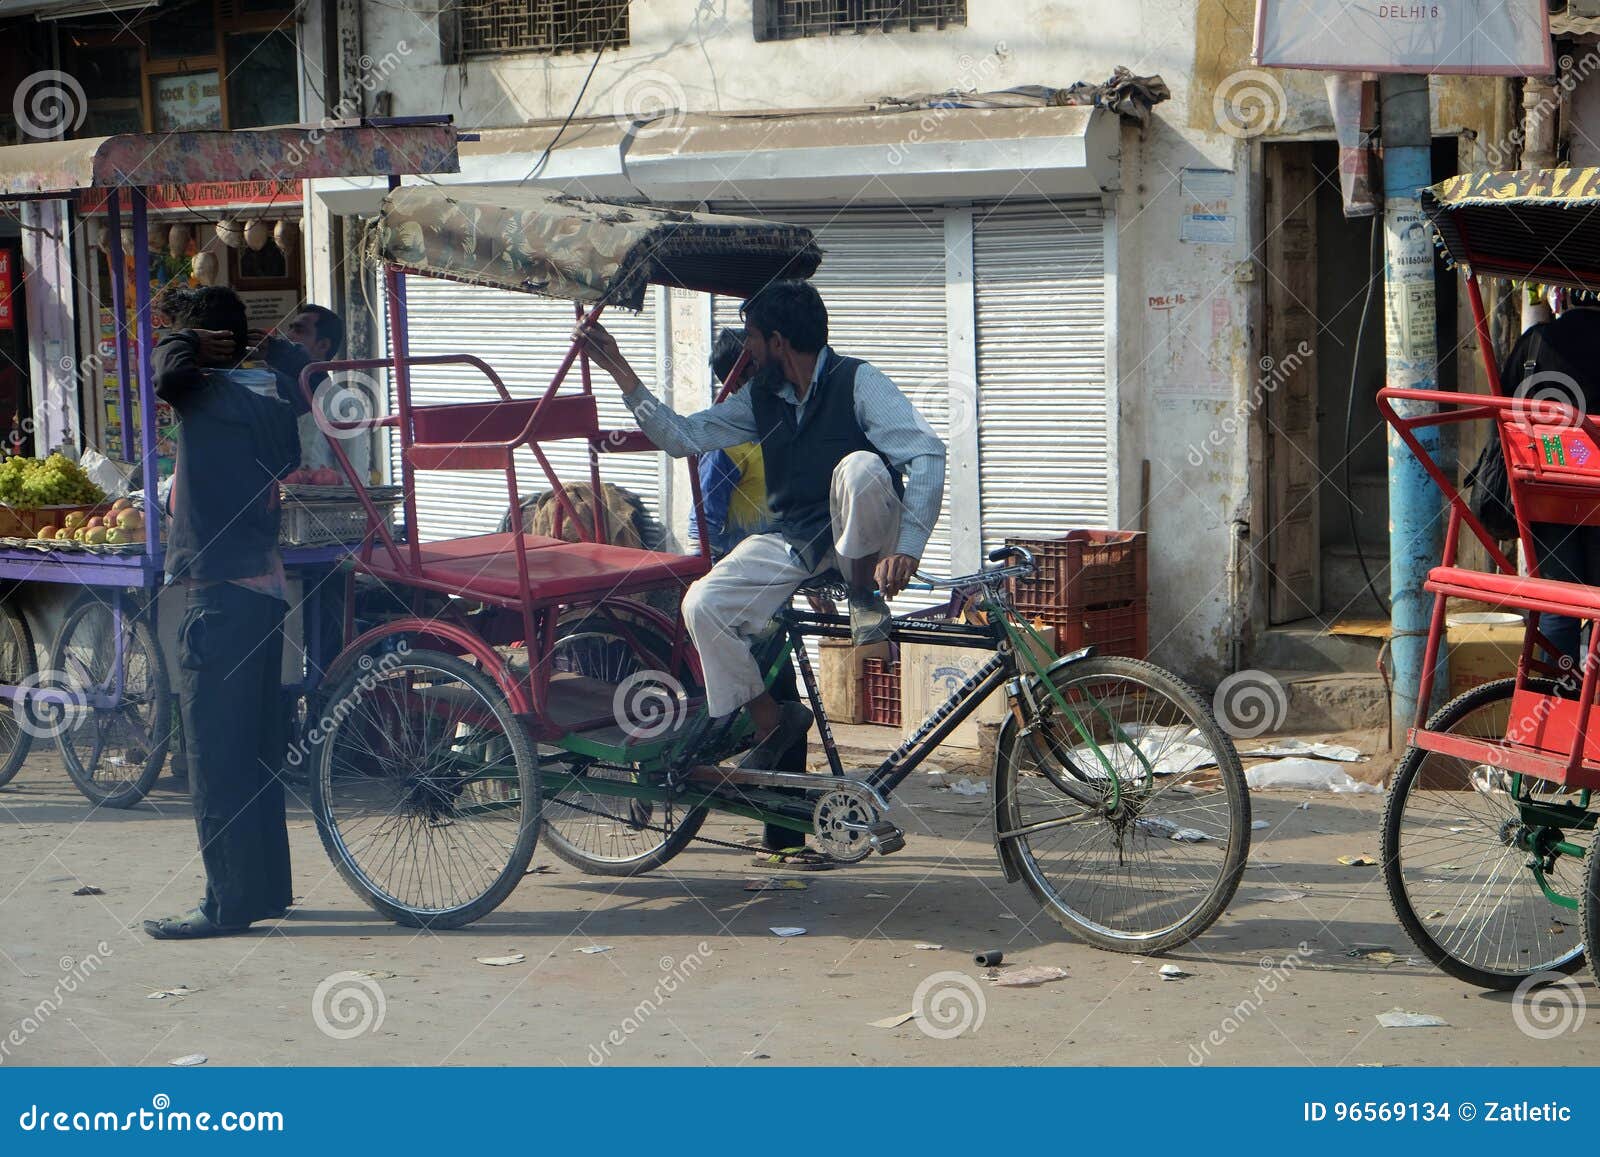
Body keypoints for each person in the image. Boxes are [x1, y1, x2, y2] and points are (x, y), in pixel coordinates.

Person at [579, 279, 946, 773]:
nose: (745, 350)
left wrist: (908, 546)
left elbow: (926, 453)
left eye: (751, 338)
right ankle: (772, 721)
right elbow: (684, 436)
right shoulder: (761, 398)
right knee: (703, 604)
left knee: (860, 466)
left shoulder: (857, 381)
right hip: (801, 537)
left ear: (777, 342)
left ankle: (863, 597)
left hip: (869, 536)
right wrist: (620, 370)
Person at [143, 286, 308, 939]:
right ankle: (264, 890)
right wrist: (258, 346)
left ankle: (225, 903)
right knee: (257, 750)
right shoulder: (267, 394)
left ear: (203, 348)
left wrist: (193, 350)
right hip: (265, 589)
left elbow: (162, 371)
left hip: (219, 590)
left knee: (214, 755)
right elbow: (300, 375)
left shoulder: (206, 391)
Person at [1503, 286, 1600, 668]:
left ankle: (1556, 701)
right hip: (1595, 496)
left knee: (1559, 604)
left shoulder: (1535, 342)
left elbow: (1504, 392)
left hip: (1544, 490)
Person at [689, 328, 775, 559]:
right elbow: (703, 532)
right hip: (742, 574)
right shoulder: (725, 444)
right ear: (739, 383)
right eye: (765, 368)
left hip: (781, 570)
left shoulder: (783, 426)